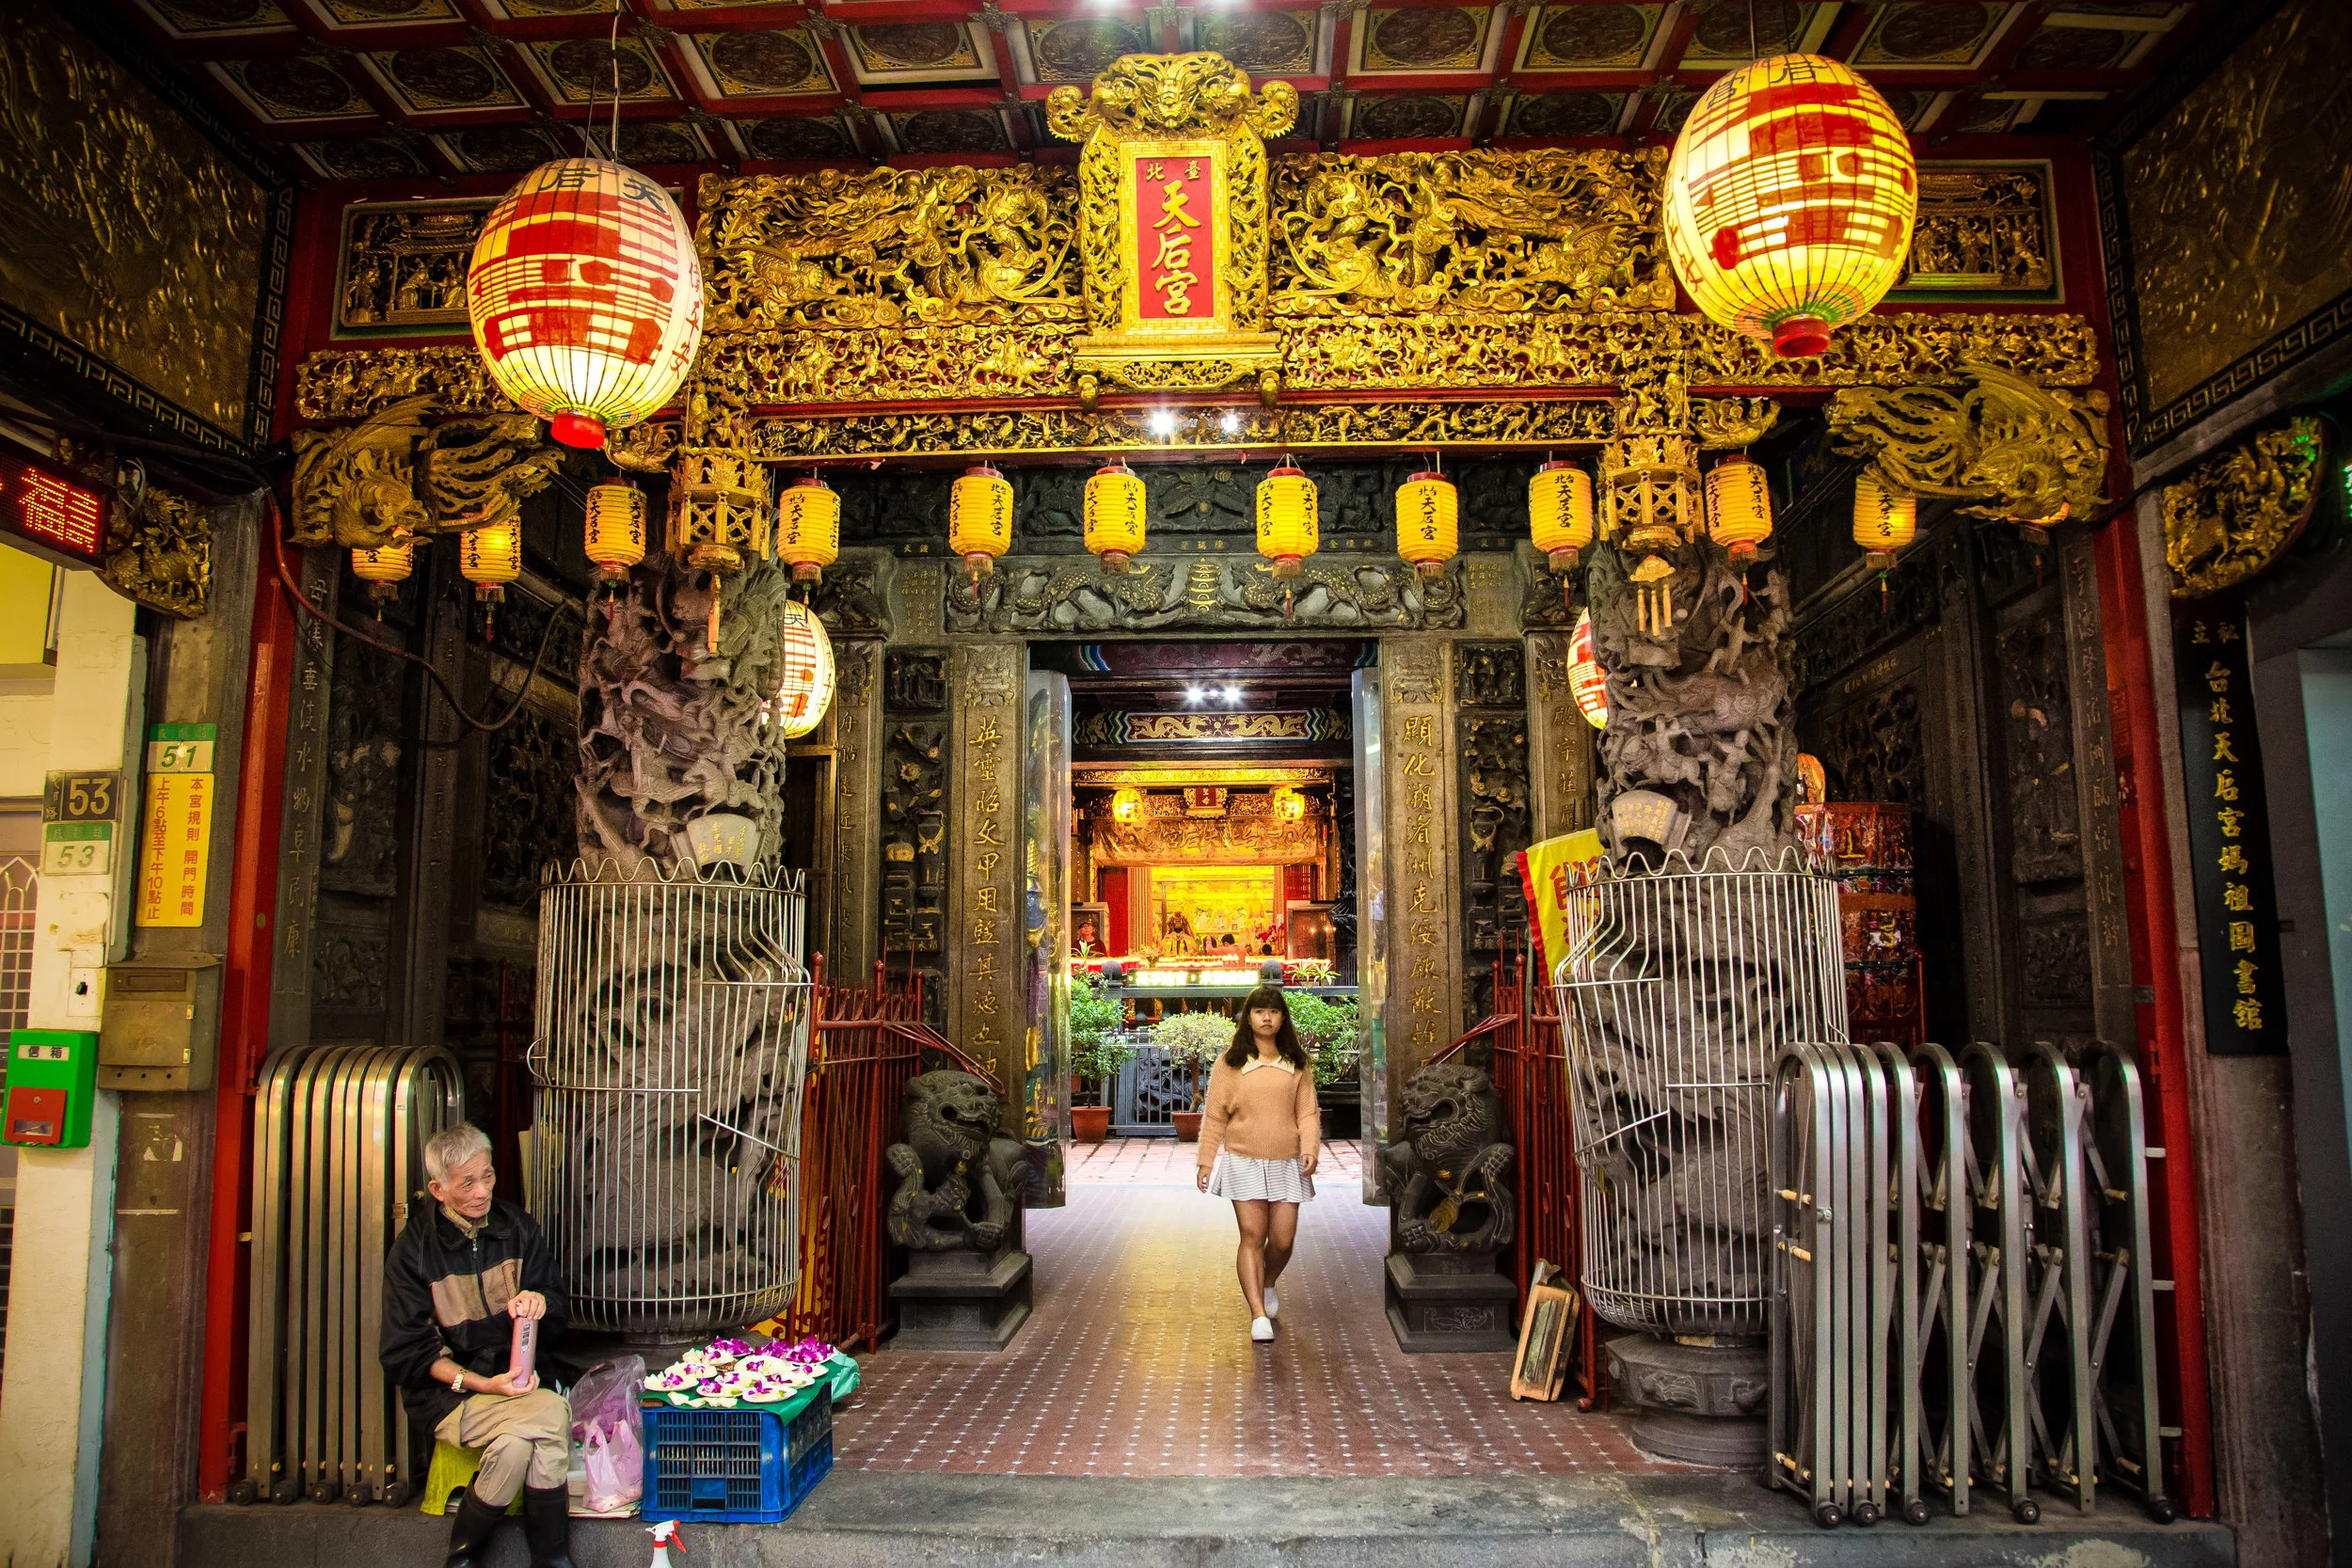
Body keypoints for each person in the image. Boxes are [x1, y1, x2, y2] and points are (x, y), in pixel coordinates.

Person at [382, 1123, 573, 1568]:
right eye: (467, 1182)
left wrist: (540, 1301)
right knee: (552, 1414)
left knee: (515, 1446)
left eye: (486, 1176)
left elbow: (560, 1307)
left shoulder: (517, 1228)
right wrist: (483, 1385)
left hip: (519, 1386)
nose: (482, 1191)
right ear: (439, 1189)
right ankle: (553, 1560)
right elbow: (406, 1352)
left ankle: (463, 1559)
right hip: (450, 1396)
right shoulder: (414, 1251)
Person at [1195, 985, 1320, 1343]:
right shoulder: (1230, 1063)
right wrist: (1206, 1161)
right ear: (1247, 1018)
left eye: (1274, 1011)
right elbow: (1215, 1116)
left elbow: (1307, 1112)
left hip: (1287, 1162)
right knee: (1252, 1235)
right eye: (1259, 1011)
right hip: (1243, 1161)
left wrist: (1310, 1146)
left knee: (1282, 1240)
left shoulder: (1296, 1062)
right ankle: (1258, 1314)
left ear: (1283, 1019)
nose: (1267, 1017)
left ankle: (1267, 1280)